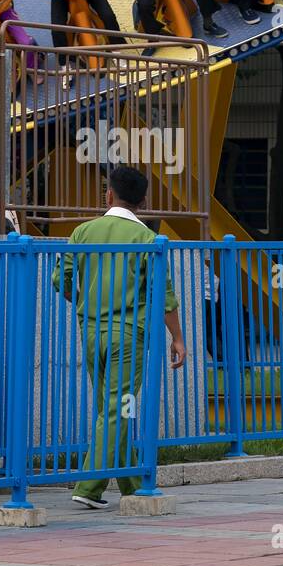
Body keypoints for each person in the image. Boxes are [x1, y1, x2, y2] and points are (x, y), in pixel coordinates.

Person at [52, 165, 187, 510]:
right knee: (117, 409)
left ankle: (131, 484)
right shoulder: (146, 239)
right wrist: (178, 338)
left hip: (91, 331)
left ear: (108, 194)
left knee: (110, 408)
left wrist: (82, 301)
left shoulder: (83, 232)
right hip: (128, 336)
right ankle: (89, 487)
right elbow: (163, 294)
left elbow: (62, 278)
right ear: (144, 201)